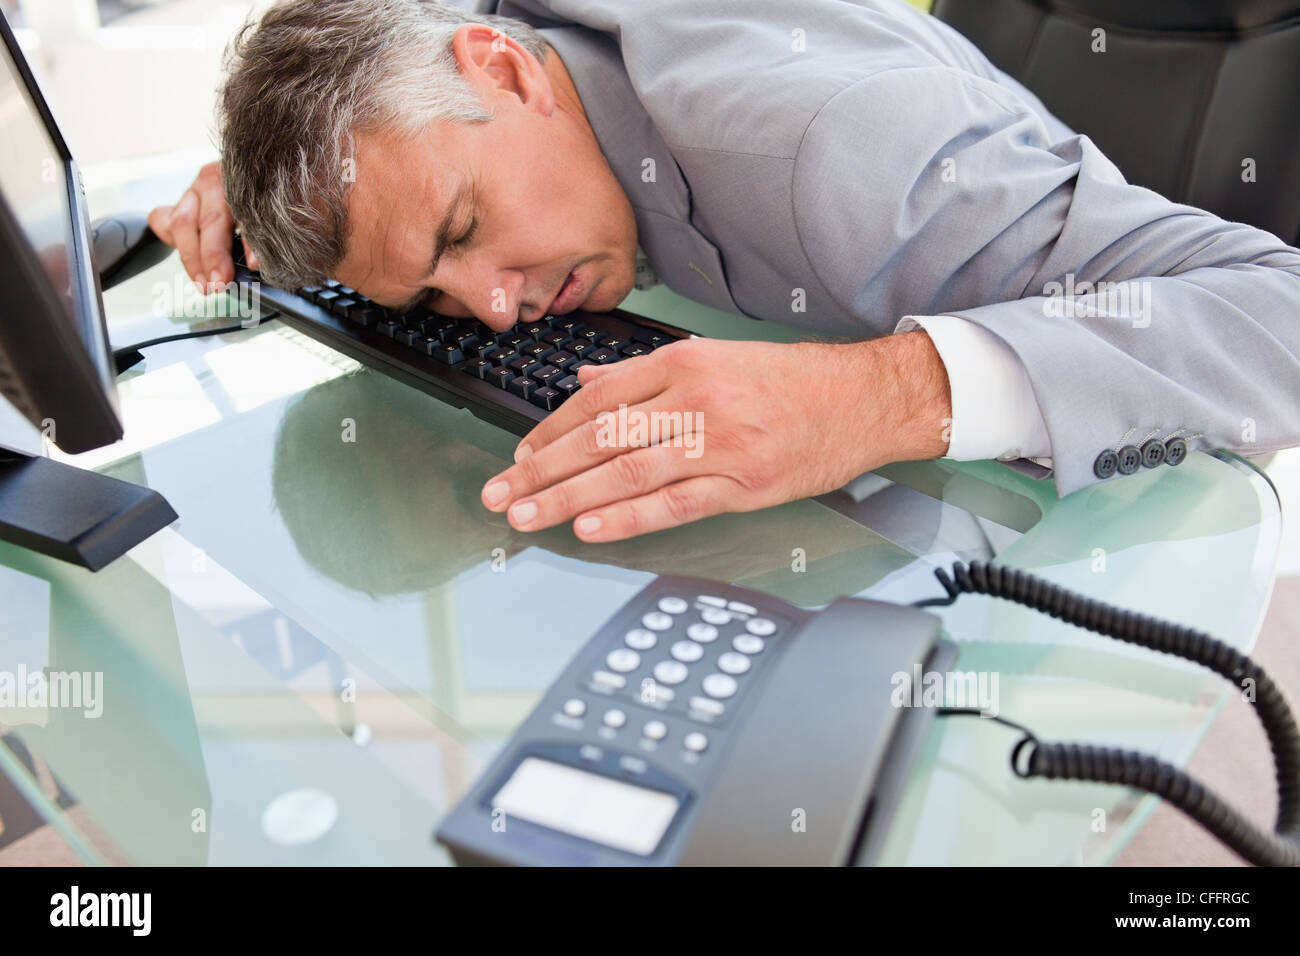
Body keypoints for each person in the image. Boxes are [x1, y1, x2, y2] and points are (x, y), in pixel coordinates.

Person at [149, 0, 1300, 543]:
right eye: (435, 297)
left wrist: (875, 394)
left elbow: (1278, 309)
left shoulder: (844, 161)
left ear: (503, 73)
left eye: (459, 229)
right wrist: (273, 183)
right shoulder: (482, 56)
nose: (494, 309)